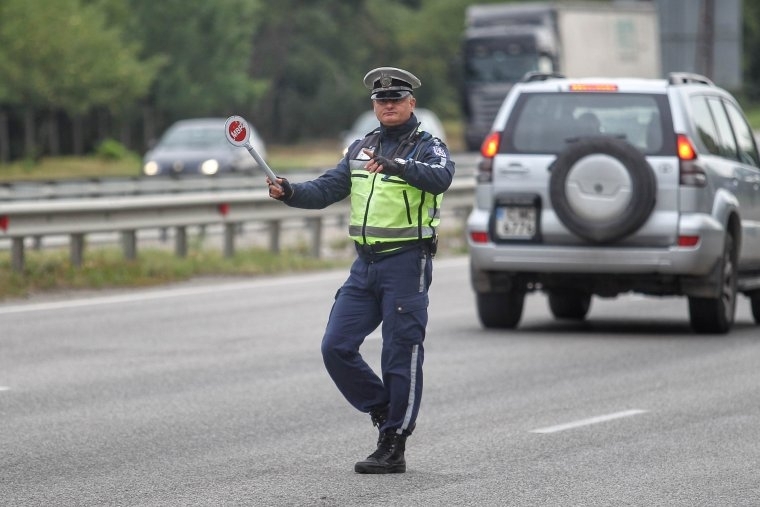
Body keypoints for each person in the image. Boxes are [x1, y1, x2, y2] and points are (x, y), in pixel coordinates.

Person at [267, 66, 455, 474]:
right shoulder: (360, 147)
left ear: (410, 104)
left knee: (399, 352)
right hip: (364, 265)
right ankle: (385, 408)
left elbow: (442, 178)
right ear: (374, 106)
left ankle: (394, 443)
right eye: (381, 100)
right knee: (335, 346)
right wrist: (291, 192)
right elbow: (328, 188)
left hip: (407, 262)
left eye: (395, 99)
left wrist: (397, 166)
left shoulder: (427, 145)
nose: (388, 105)